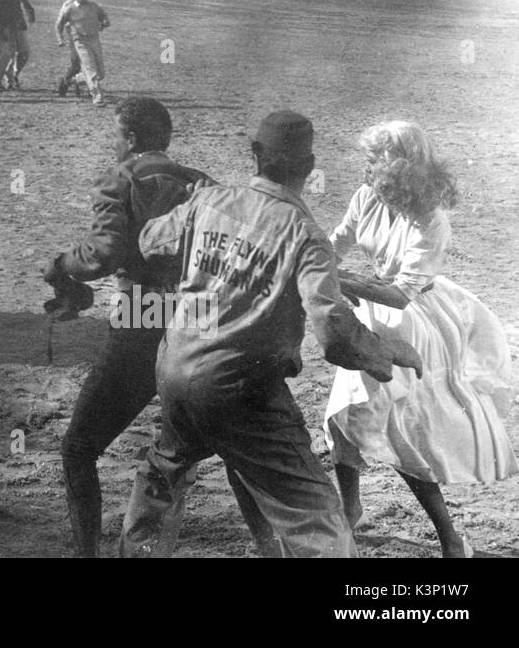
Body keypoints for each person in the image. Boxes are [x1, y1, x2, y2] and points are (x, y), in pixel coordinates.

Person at [119, 111, 424, 559]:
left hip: (176, 369)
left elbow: (150, 242)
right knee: (316, 520)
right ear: (310, 165)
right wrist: (384, 348)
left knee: (163, 476)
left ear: (255, 155)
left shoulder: (210, 201)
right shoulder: (304, 234)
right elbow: (334, 333)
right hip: (243, 390)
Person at [42, 97, 229, 557]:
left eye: (117, 135)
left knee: (78, 449)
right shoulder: (201, 183)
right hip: (196, 326)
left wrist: (60, 265)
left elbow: (103, 252)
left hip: (140, 322)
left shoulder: (120, 178)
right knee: (196, 450)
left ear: (129, 138)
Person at [324, 121, 516, 558]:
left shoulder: (432, 220)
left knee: (401, 430)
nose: (365, 167)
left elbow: (400, 294)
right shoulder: (366, 196)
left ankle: (448, 536)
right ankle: (351, 510)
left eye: (373, 160)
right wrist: (317, 265)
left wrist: (343, 280)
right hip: (368, 316)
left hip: (414, 322)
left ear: (396, 166)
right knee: (344, 416)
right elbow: (336, 245)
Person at [56, 0, 109, 104]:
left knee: (101, 74)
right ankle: (97, 96)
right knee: (90, 68)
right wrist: (60, 38)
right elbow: (59, 24)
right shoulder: (69, 8)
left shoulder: (94, 6)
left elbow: (105, 19)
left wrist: (104, 23)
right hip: (80, 41)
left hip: (94, 39)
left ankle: (74, 80)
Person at [0, 0, 36, 90]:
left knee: (24, 52)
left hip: (18, 24)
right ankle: (6, 79)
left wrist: (30, 13)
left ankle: (15, 74)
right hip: (5, 26)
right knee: (9, 54)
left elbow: (24, 0)